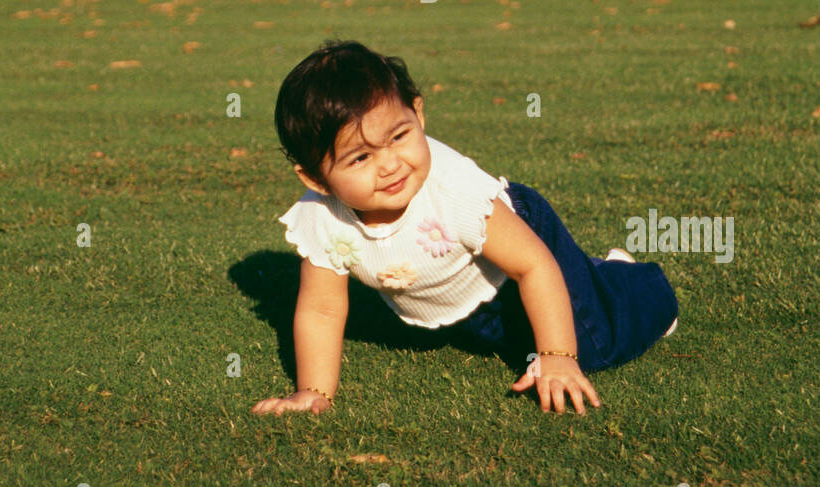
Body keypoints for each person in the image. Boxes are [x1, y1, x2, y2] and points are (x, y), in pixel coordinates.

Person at [253, 42, 679, 418]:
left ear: (417, 114)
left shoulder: (453, 192)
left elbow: (532, 266)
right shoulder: (322, 218)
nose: (390, 165)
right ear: (316, 179)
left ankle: (640, 283)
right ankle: (590, 275)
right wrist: (312, 391)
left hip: (520, 252)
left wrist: (558, 356)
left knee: (590, 347)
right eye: (360, 159)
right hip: (462, 298)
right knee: (515, 345)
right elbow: (322, 309)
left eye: (399, 136)